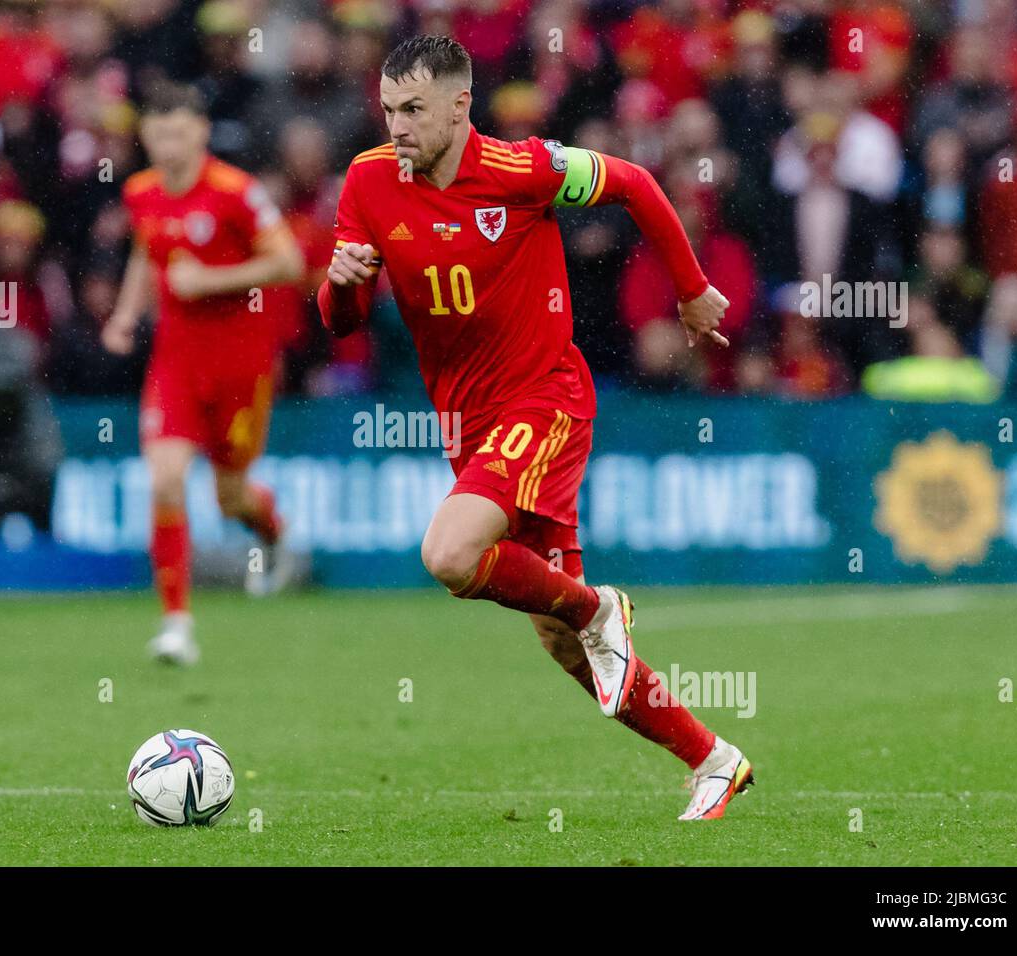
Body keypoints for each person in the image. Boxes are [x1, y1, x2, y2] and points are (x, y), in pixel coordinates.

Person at [318, 36, 752, 821]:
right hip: (470, 425)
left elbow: (637, 184)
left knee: (449, 553)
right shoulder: (369, 179)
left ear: (460, 106)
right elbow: (340, 325)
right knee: (565, 646)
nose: (398, 126)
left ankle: (599, 607)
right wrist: (340, 287)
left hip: (544, 400)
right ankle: (712, 758)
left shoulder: (526, 170)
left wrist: (690, 291)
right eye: (388, 110)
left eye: (414, 109)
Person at [103, 84, 303, 666]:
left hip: (241, 366)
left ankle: (275, 533)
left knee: (230, 496)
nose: (168, 142)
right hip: (176, 363)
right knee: (165, 480)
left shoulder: (236, 192)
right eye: (157, 132)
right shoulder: (141, 192)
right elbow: (148, 251)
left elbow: (289, 263)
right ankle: (176, 623)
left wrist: (209, 281)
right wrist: (124, 314)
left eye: (178, 130)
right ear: (146, 137)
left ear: (201, 132)